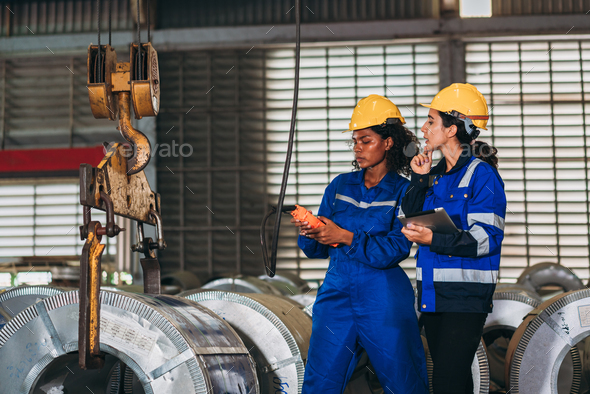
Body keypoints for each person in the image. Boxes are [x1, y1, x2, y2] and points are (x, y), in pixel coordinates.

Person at [292, 94, 429, 394]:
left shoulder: (406, 192)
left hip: (383, 298)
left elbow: (397, 248)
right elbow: (316, 250)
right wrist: (310, 230)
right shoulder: (340, 185)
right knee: (319, 381)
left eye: (366, 140)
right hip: (335, 294)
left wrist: (344, 237)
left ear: (388, 143)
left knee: (403, 380)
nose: (357, 148)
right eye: (355, 141)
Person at [400, 83, 507, 394]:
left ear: (451, 129)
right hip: (432, 295)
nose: (423, 127)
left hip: (465, 297)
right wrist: (419, 179)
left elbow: (487, 238)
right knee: (454, 382)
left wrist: (435, 239)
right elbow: (409, 213)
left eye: (431, 120)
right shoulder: (433, 175)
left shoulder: (481, 174)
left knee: (447, 382)